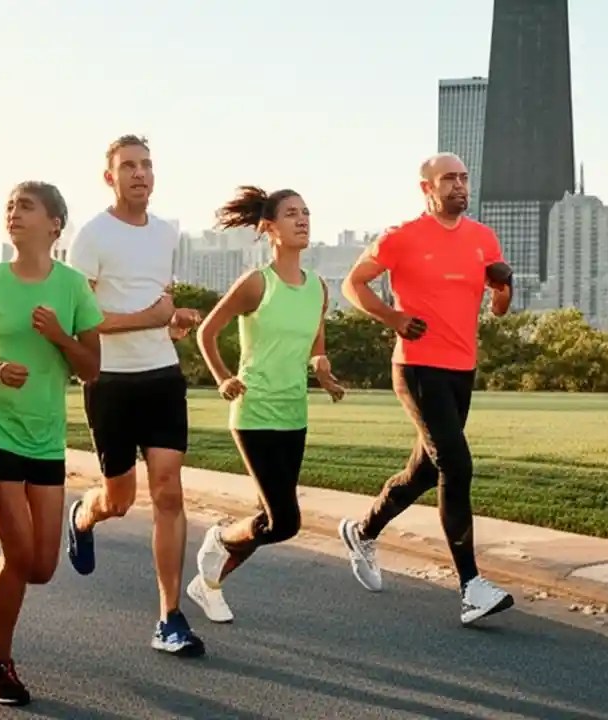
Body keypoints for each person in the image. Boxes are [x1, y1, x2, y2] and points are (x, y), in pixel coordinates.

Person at [336, 152, 515, 626]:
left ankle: (362, 530)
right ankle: (471, 586)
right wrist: (393, 317)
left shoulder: (483, 238)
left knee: (423, 470)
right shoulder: (403, 237)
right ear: (427, 189)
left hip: (462, 370)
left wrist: (503, 289)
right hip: (417, 368)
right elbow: (352, 285)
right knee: (456, 465)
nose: (459, 185)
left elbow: (497, 311)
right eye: (448, 179)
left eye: (463, 178)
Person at [0, 181, 103, 707]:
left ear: (55, 224)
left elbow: (92, 368)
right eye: (10, 206)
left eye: (26, 206)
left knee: (39, 567)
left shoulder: (73, 288)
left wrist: (61, 336)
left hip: (46, 440)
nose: (14, 213)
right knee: (20, 554)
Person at [64, 134, 206, 657]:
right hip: (111, 382)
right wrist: (149, 319)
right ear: (110, 177)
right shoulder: (91, 236)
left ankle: (169, 616)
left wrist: (171, 324)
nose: (140, 173)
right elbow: (82, 320)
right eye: (128, 166)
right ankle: (84, 515)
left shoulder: (167, 233)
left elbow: (155, 305)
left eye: (146, 164)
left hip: (162, 377)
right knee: (119, 501)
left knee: (168, 492)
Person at [188, 186, 344, 624]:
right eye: (292, 213)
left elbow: (315, 344)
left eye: (307, 212)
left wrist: (323, 370)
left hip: (294, 414)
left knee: (269, 517)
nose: (303, 219)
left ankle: (209, 583)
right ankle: (218, 538)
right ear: (269, 228)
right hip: (254, 412)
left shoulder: (318, 288)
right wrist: (223, 378)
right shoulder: (257, 283)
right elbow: (207, 333)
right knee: (284, 521)